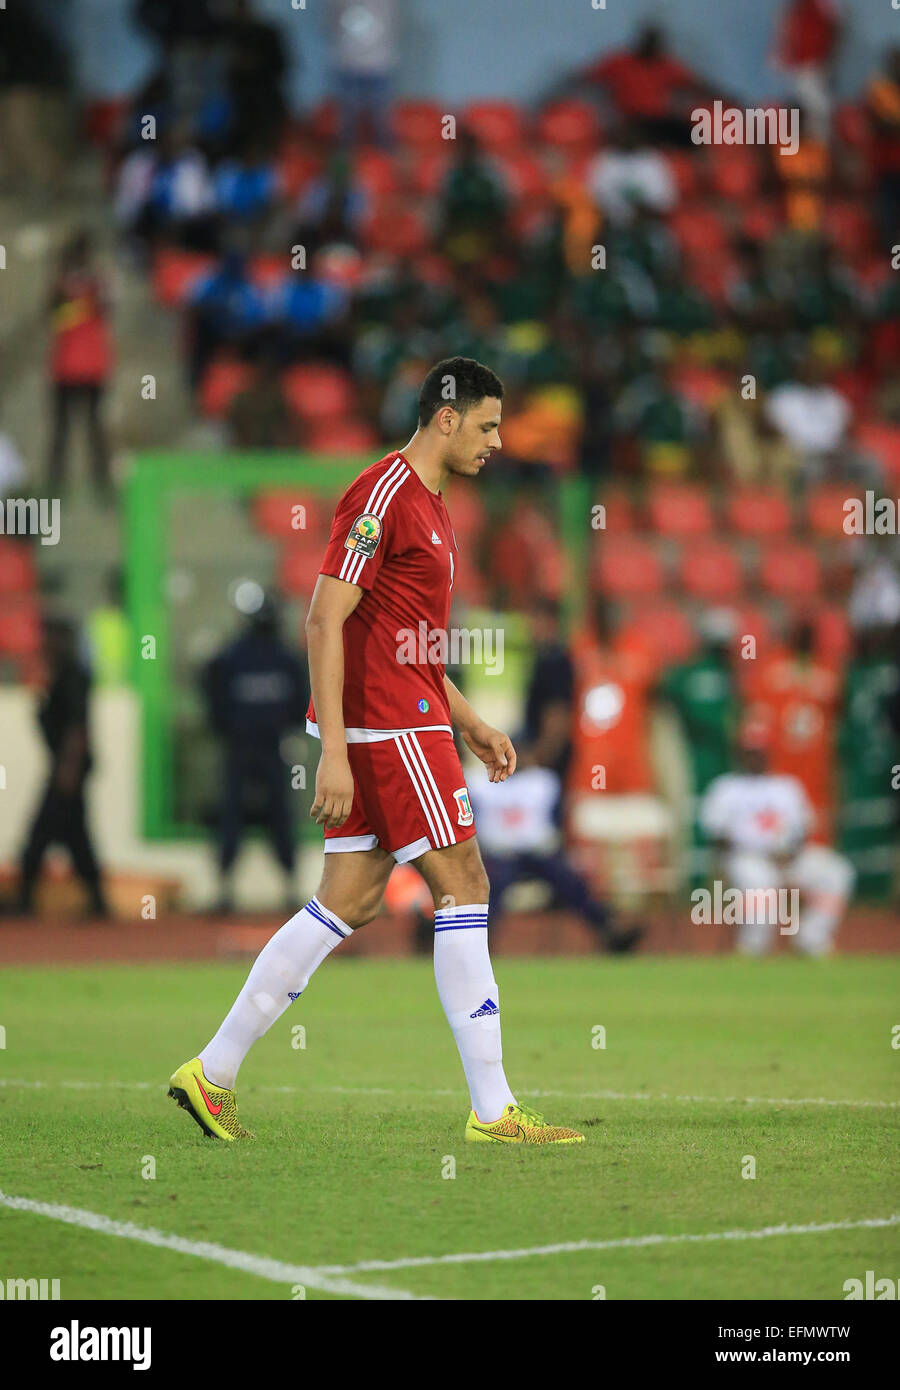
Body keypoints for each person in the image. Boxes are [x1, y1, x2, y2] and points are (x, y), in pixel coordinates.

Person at [169, 357, 585, 1144]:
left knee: (350, 901)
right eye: (489, 425)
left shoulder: (432, 504)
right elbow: (325, 620)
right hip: (391, 729)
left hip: (411, 714)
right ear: (447, 417)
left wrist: (467, 718)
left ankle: (211, 1072)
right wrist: (332, 750)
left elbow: (407, 641)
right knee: (464, 882)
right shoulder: (383, 494)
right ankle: (494, 1110)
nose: (497, 442)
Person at [699, 720, 854, 957]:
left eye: (759, 752)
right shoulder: (726, 787)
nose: (755, 758)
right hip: (746, 857)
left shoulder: (786, 786)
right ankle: (754, 947)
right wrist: (758, 850)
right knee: (758, 880)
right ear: (740, 754)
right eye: (750, 752)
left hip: (789, 857)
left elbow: (803, 828)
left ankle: (811, 939)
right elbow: (717, 834)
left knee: (836, 871)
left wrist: (789, 853)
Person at [202, 593, 309, 914]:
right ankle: (278, 889)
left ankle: (229, 891)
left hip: (249, 748)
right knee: (259, 817)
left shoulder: (233, 656)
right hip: (260, 748)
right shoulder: (281, 657)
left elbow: (214, 702)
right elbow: (298, 706)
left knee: (252, 817)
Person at [470, 762, 643, 953]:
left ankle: (609, 928)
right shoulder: (478, 783)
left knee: (571, 882)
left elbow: (557, 821)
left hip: (539, 852)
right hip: (500, 854)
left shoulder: (541, 782)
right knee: (489, 889)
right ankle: (476, 942)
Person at [11, 616, 109, 919]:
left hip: (67, 773)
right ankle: (96, 901)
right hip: (65, 771)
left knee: (41, 834)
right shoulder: (59, 676)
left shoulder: (73, 676)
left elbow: (77, 729)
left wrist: (67, 774)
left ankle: (26, 899)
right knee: (76, 837)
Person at [46, 232, 114, 496]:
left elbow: (106, 308)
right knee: (65, 429)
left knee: (92, 429)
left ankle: (100, 482)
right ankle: (57, 483)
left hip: (87, 366)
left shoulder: (98, 283)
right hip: (71, 367)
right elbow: (53, 316)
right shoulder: (64, 286)